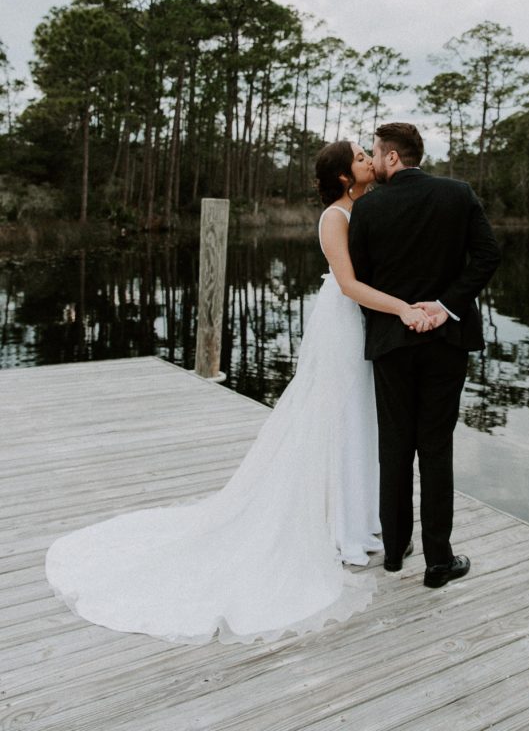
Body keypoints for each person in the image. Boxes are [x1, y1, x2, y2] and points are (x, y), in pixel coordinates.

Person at [45, 141, 430, 645]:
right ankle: (338, 529)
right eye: (361, 158)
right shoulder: (335, 218)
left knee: (359, 421)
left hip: (364, 325)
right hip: (342, 323)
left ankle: (355, 521)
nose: (369, 162)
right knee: (334, 417)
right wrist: (404, 308)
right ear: (342, 176)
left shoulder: (369, 207)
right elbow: (349, 283)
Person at [348, 122, 501, 589]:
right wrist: (444, 306)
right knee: (435, 448)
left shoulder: (368, 208)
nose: (372, 161)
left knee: (394, 447)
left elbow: (361, 281)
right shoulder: (458, 194)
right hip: (445, 341)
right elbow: (487, 256)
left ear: (393, 157)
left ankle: (395, 552)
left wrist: (404, 313)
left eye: (375, 152)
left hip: (393, 343)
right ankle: (439, 561)